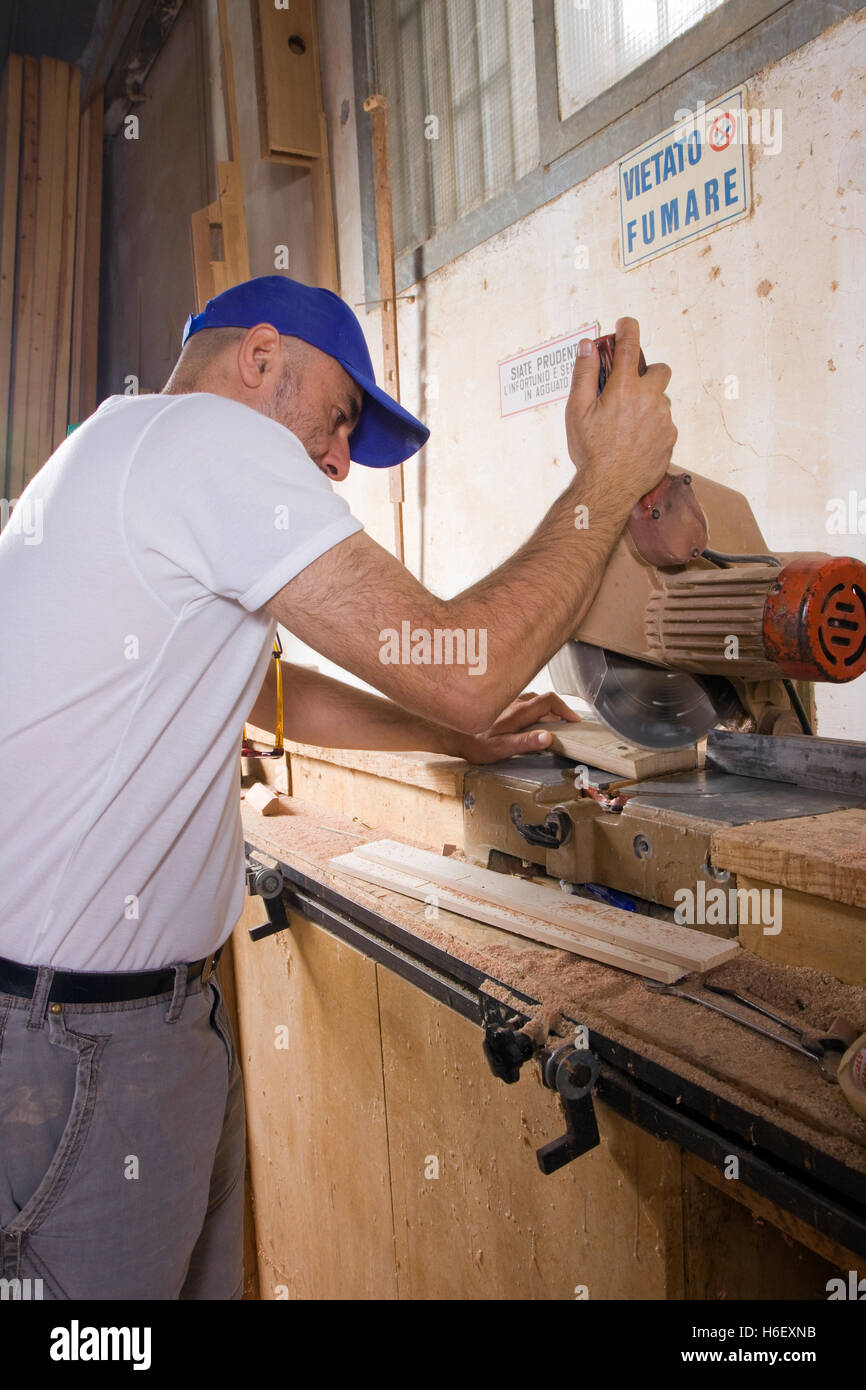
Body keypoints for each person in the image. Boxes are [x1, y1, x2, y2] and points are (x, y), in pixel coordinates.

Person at [0, 275, 675, 1299]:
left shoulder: (121, 446)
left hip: (113, 1027)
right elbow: (464, 658)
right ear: (260, 358)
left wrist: (454, 729)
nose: (333, 462)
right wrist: (608, 478)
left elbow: (276, 696)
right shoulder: (202, 443)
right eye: (338, 420)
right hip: (81, 1042)